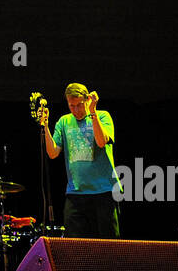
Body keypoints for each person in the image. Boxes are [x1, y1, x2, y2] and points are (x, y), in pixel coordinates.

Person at [40, 82, 119, 238]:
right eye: (72, 106)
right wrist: (45, 126)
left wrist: (93, 113)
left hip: (103, 191)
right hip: (76, 193)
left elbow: (101, 141)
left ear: (88, 100)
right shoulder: (64, 122)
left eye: (79, 105)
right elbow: (53, 152)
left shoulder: (102, 115)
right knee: (75, 245)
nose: (76, 110)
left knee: (108, 243)